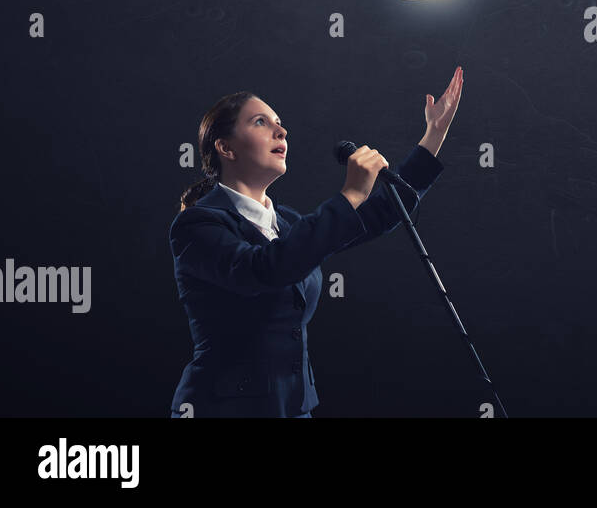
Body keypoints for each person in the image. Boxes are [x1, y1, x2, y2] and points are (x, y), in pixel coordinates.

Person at [169, 67, 464, 417]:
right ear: (225, 147)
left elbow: (378, 216)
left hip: (295, 409)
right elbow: (264, 269)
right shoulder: (197, 225)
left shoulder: (288, 222)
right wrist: (350, 194)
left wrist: (433, 136)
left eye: (279, 122)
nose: (282, 130)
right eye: (261, 122)